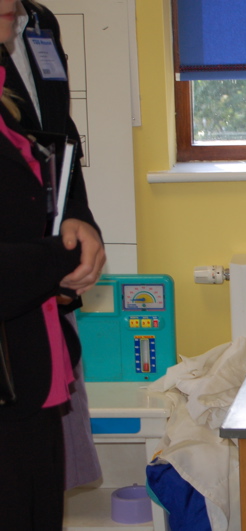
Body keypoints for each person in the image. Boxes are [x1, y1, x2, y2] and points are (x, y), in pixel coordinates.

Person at [0, 0, 104, 528]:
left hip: (36, 316)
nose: (12, 8)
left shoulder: (38, 22)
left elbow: (59, 141)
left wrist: (79, 228)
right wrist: (51, 260)